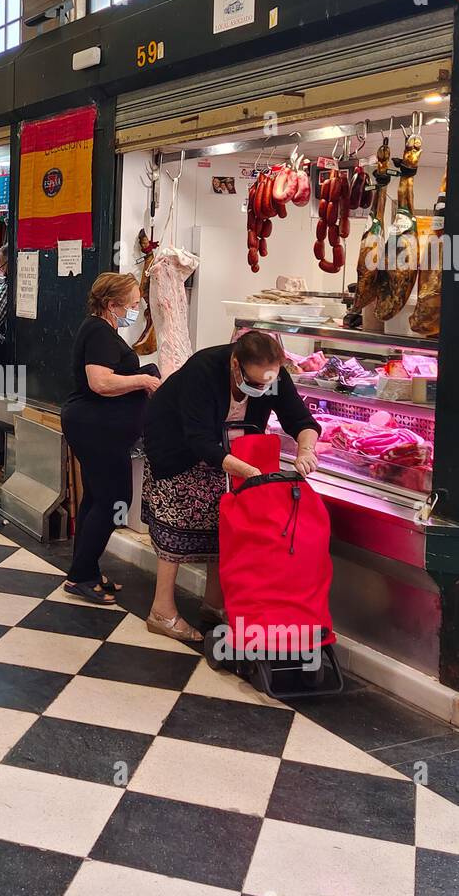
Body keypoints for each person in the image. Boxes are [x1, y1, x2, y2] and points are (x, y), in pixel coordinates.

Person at [142, 328, 321, 642]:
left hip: (234, 452)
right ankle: (162, 610)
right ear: (236, 364)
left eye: (268, 383)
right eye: (254, 383)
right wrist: (248, 470)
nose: (263, 388)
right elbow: (198, 439)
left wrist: (306, 450)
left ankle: (214, 604)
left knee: (224, 524)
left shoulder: (272, 374)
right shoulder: (204, 369)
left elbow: (301, 419)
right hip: (177, 447)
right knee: (177, 523)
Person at [61, 272, 160, 605]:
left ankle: (85, 569)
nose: (136, 309)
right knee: (114, 499)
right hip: (96, 427)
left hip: (96, 427)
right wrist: (144, 381)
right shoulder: (100, 332)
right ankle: (79, 577)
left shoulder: (102, 329)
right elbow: (100, 382)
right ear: (111, 304)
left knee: (96, 498)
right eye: (132, 304)